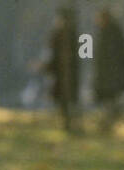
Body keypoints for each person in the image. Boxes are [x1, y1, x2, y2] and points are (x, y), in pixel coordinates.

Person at [94, 7, 124, 135]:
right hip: (113, 77)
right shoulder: (113, 31)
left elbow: (104, 57)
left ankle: (107, 125)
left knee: (110, 102)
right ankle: (107, 125)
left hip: (109, 78)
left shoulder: (108, 33)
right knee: (112, 102)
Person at [45, 6, 80, 134]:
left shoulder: (73, 34)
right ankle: (67, 121)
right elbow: (52, 52)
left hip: (68, 72)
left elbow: (83, 54)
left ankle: (69, 122)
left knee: (68, 99)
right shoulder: (59, 33)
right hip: (61, 72)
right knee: (63, 99)